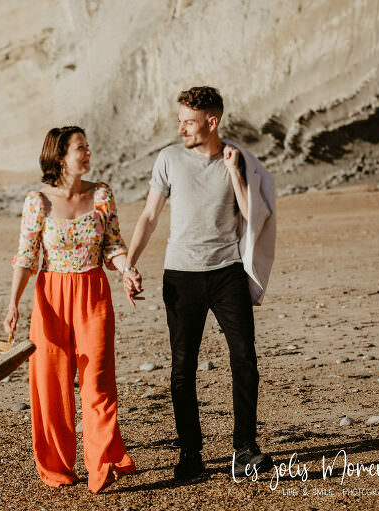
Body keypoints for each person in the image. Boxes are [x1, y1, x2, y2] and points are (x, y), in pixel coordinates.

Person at [122, 86, 276, 479]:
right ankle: (191, 453)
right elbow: (149, 216)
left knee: (245, 359)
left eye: (189, 122)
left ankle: (245, 449)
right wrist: (129, 265)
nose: (182, 128)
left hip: (227, 272)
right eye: (180, 121)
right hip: (181, 275)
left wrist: (233, 171)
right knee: (182, 367)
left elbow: (253, 215)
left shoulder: (236, 158)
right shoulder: (169, 159)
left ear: (212, 121)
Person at [3, 126, 136, 493]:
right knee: (51, 383)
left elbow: (113, 245)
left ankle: (102, 464)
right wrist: (13, 304)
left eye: (88, 147)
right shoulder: (38, 201)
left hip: (93, 293)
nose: (88, 152)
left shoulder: (102, 195)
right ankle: (57, 466)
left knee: (98, 382)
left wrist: (128, 271)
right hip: (51, 298)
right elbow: (26, 255)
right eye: (81, 147)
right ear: (60, 157)